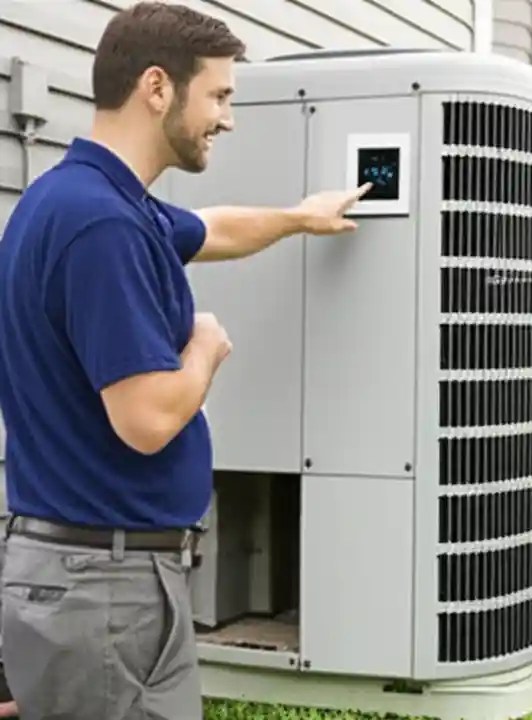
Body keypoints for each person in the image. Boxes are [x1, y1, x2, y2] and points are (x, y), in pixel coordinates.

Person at [0, 4, 369, 718]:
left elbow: (216, 226)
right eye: (221, 96)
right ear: (158, 87)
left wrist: (301, 215)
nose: (227, 118)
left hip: (104, 578)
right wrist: (205, 347)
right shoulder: (101, 225)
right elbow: (144, 418)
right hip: (103, 585)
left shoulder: (89, 201)